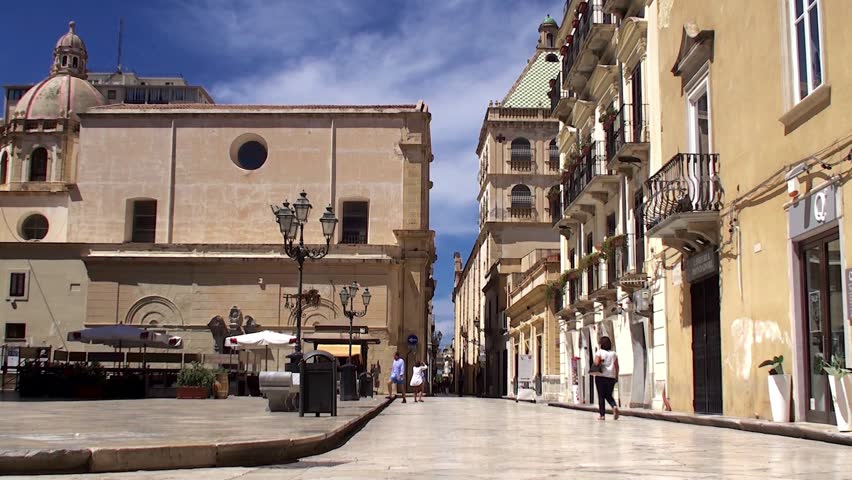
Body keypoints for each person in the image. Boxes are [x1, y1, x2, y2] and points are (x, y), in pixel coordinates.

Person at [593, 336, 620, 420]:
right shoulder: (614, 354)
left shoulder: (599, 352)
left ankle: (602, 415)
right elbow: (617, 366)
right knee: (608, 395)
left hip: (601, 377)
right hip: (611, 377)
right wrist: (616, 376)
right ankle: (614, 406)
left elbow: (596, 363)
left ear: (601, 344)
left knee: (601, 396)